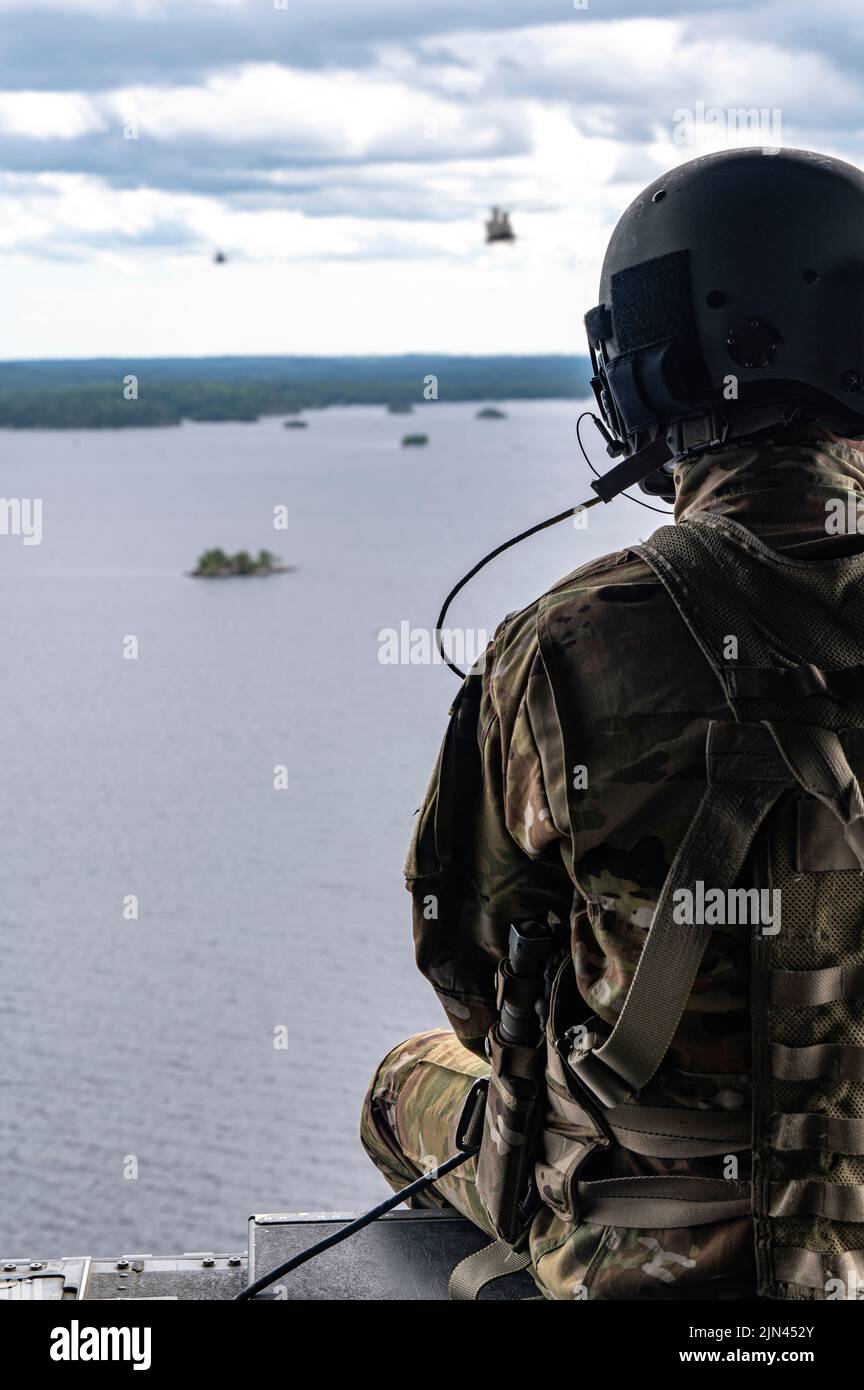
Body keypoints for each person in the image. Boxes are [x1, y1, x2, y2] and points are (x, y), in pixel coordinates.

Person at [362, 147, 864, 1301]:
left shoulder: (567, 646)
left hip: (652, 1262)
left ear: (648, 372)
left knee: (403, 1079)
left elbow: (475, 979)